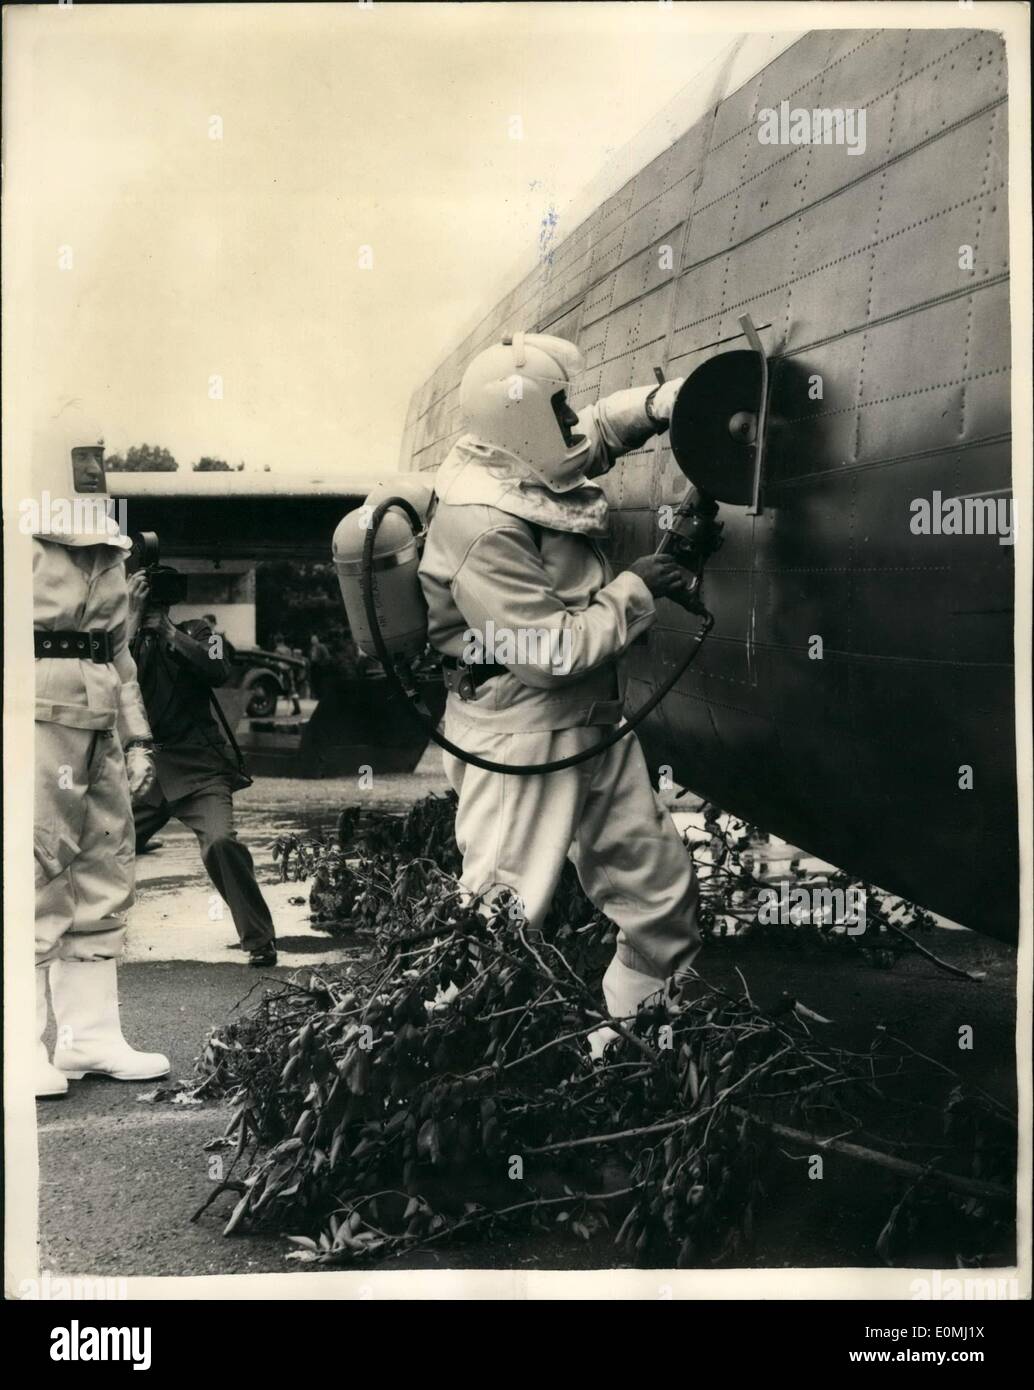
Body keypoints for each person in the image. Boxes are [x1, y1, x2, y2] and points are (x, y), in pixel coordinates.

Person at [418, 331, 701, 1056]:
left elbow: (592, 435)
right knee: (499, 917)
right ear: (523, 424)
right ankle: (440, 1071)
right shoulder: (480, 523)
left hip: (588, 720)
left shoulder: (518, 456)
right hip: (521, 731)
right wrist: (640, 585)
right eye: (559, 409)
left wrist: (666, 404)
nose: (575, 421)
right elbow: (547, 652)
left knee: (659, 893)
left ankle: (634, 1055)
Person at [32, 405, 170, 1098]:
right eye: (82, 460)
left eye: (96, 462)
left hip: (96, 714)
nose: (92, 471)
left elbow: (118, 654)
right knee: (33, 865)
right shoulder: (17, 535)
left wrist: (138, 737)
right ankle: (16, 1043)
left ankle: (87, 1038)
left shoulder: (109, 548)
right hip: (31, 710)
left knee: (103, 862)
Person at [127, 570, 277, 966]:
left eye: (158, 603)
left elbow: (218, 669)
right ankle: (81, 936)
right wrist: (129, 617)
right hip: (146, 770)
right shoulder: (123, 638)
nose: (152, 609)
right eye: (147, 601)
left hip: (199, 768)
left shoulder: (198, 631)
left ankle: (259, 939)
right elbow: (110, 678)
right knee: (103, 841)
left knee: (220, 842)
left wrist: (171, 635)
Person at [307, 633, 332, 700]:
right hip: (313, 666)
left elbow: (327, 657)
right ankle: (315, 695)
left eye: (314, 639)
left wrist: (322, 664)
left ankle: (321, 696)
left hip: (319, 667)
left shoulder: (321, 646)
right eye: (312, 639)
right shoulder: (311, 648)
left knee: (320, 682)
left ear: (317, 639)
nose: (313, 640)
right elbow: (311, 657)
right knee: (314, 682)